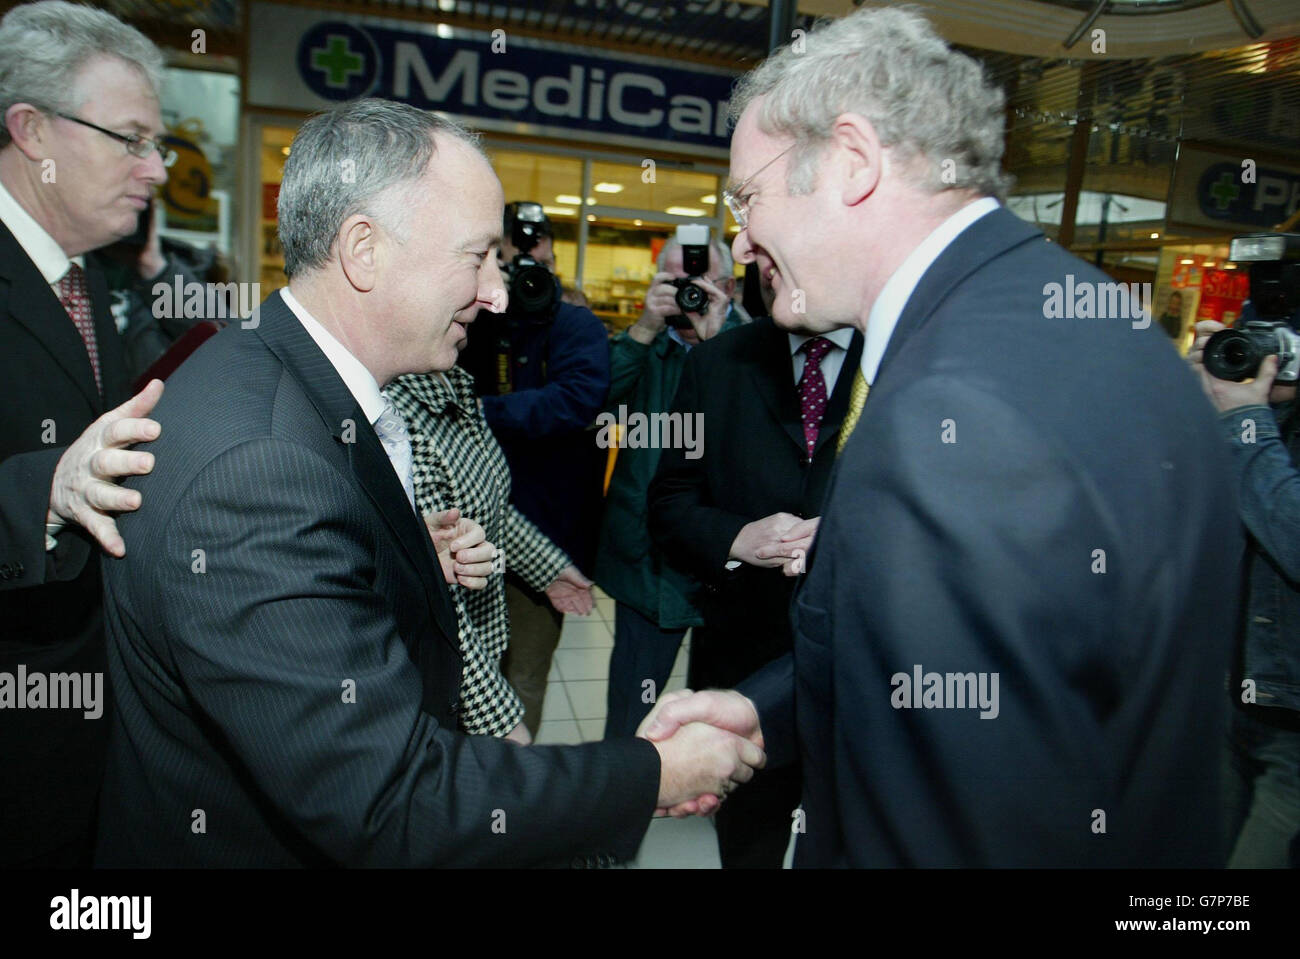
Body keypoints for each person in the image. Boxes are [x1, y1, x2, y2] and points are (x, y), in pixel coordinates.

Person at [642, 6, 1240, 867]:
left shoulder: (953, 416)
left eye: (748, 198)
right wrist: (765, 712)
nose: (740, 240)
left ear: (851, 162)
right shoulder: (1079, 317)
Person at [95, 98, 762, 868]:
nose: (498, 293)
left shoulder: (293, 379)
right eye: (475, 256)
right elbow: (389, 800)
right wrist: (652, 773)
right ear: (364, 250)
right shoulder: (263, 468)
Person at [0, 0, 170, 867]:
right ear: (31, 130)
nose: (155, 169)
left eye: (157, 144)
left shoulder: (90, 280)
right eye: (131, 139)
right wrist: (46, 488)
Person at [648, 272, 862, 867]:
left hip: (863, 662)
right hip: (743, 653)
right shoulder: (714, 363)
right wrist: (739, 537)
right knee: (749, 842)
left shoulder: (897, 356)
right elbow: (668, 502)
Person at [458, 203, 608, 738]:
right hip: (465, 534)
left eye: (535, 244)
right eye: (509, 249)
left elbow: (574, 402)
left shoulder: (575, 324)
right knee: (461, 672)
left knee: (524, 674)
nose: (526, 258)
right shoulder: (469, 322)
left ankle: (513, 797)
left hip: (545, 531)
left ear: (552, 250)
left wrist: (479, 412)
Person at [387, 363, 594, 746]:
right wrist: (497, 719)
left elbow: (489, 510)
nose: (495, 300)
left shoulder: (452, 381)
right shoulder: (392, 408)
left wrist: (549, 569)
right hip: (441, 672)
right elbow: (440, 591)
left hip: (481, 640)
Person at [595, 234, 747, 738]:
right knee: (630, 702)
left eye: (699, 283)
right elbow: (597, 407)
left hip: (729, 563)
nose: (688, 293)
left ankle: (716, 798)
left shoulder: (753, 347)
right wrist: (642, 328)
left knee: (728, 703)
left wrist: (717, 341)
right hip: (646, 557)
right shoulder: (645, 344)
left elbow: (760, 433)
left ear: (726, 286)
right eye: (676, 282)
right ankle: (622, 796)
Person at [1190, 314, 1300, 867]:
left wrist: (1248, 420)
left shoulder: (1254, 423)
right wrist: (1199, 406)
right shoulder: (1261, 418)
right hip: (1227, 701)